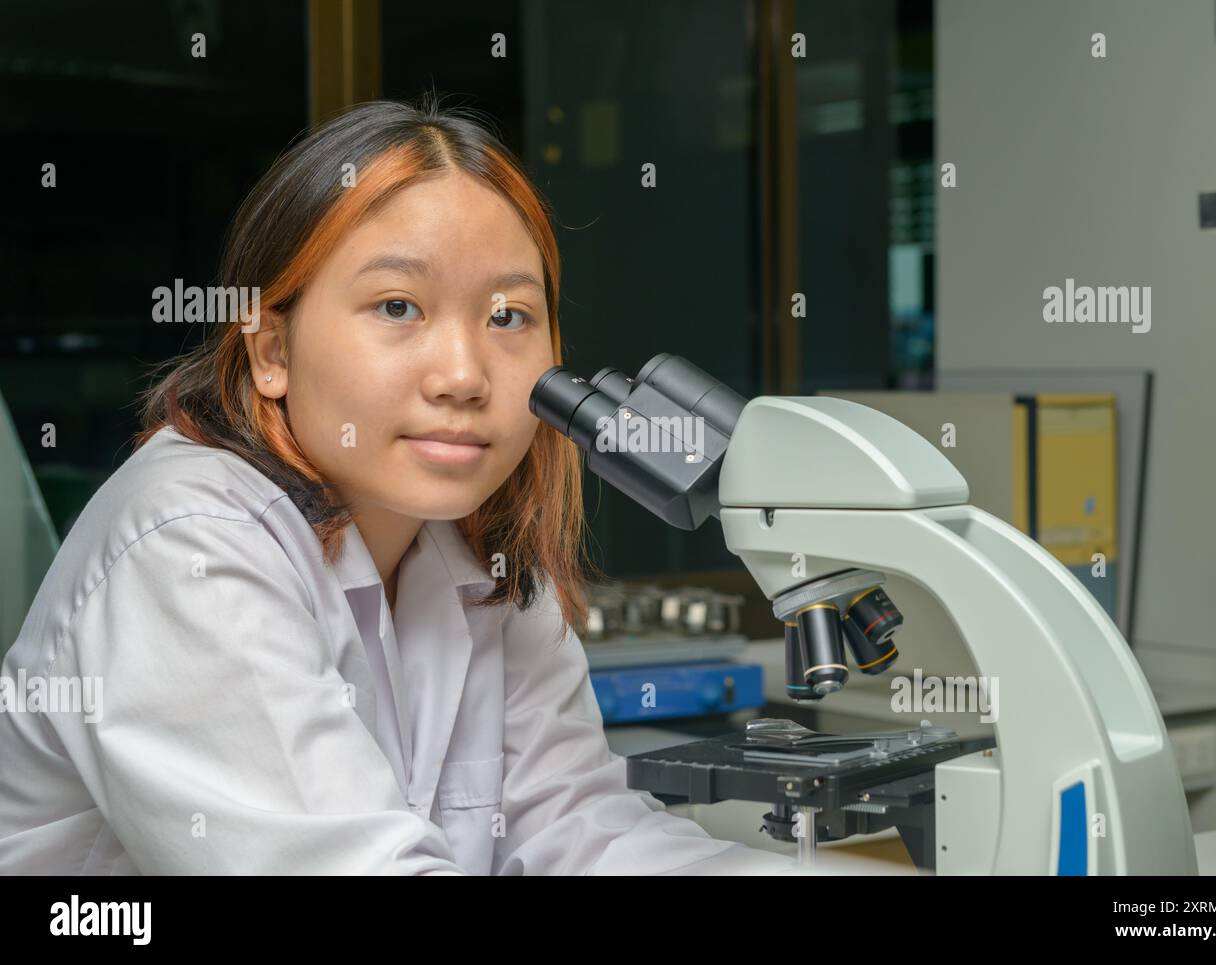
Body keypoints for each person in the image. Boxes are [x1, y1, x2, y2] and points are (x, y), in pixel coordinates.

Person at [0, 96, 799, 875]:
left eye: (509, 315)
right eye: (397, 305)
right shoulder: (187, 545)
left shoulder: (480, 556)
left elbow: (582, 833)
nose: (463, 374)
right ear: (270, 351)